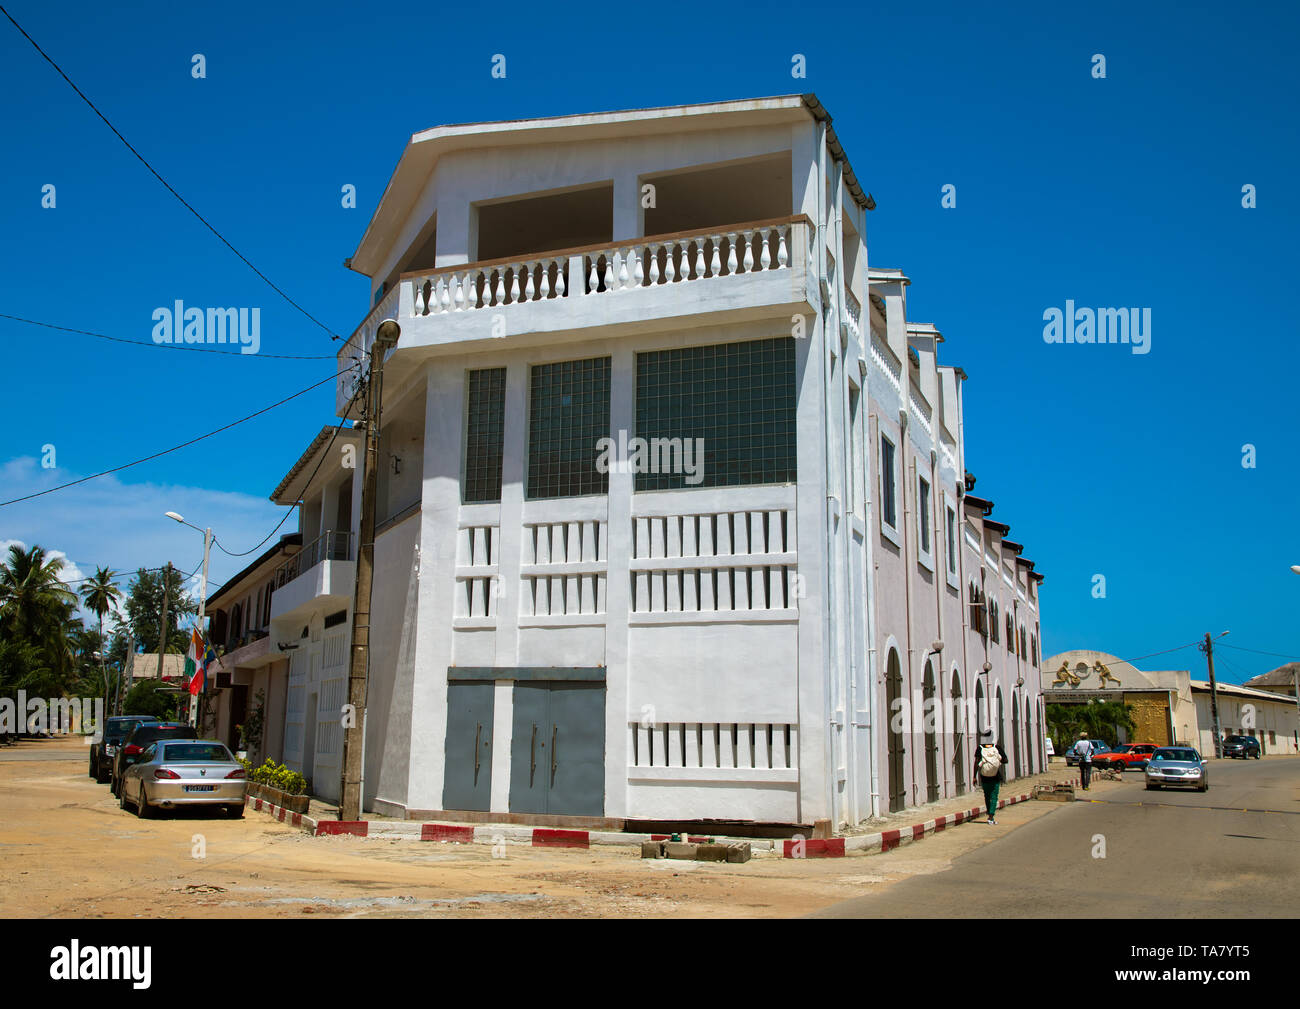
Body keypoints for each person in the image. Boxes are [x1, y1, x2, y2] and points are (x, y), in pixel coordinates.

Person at [973, 730, 1009, 824]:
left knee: (987, 795)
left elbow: (976, 763)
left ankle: (989, 813)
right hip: (995, 776)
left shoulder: (980, 748)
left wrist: (974, 776)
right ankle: (991, 816)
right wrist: (997, 762)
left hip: (984, 776)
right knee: (994, 796)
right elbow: (1006, 760)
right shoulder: (997, 747)